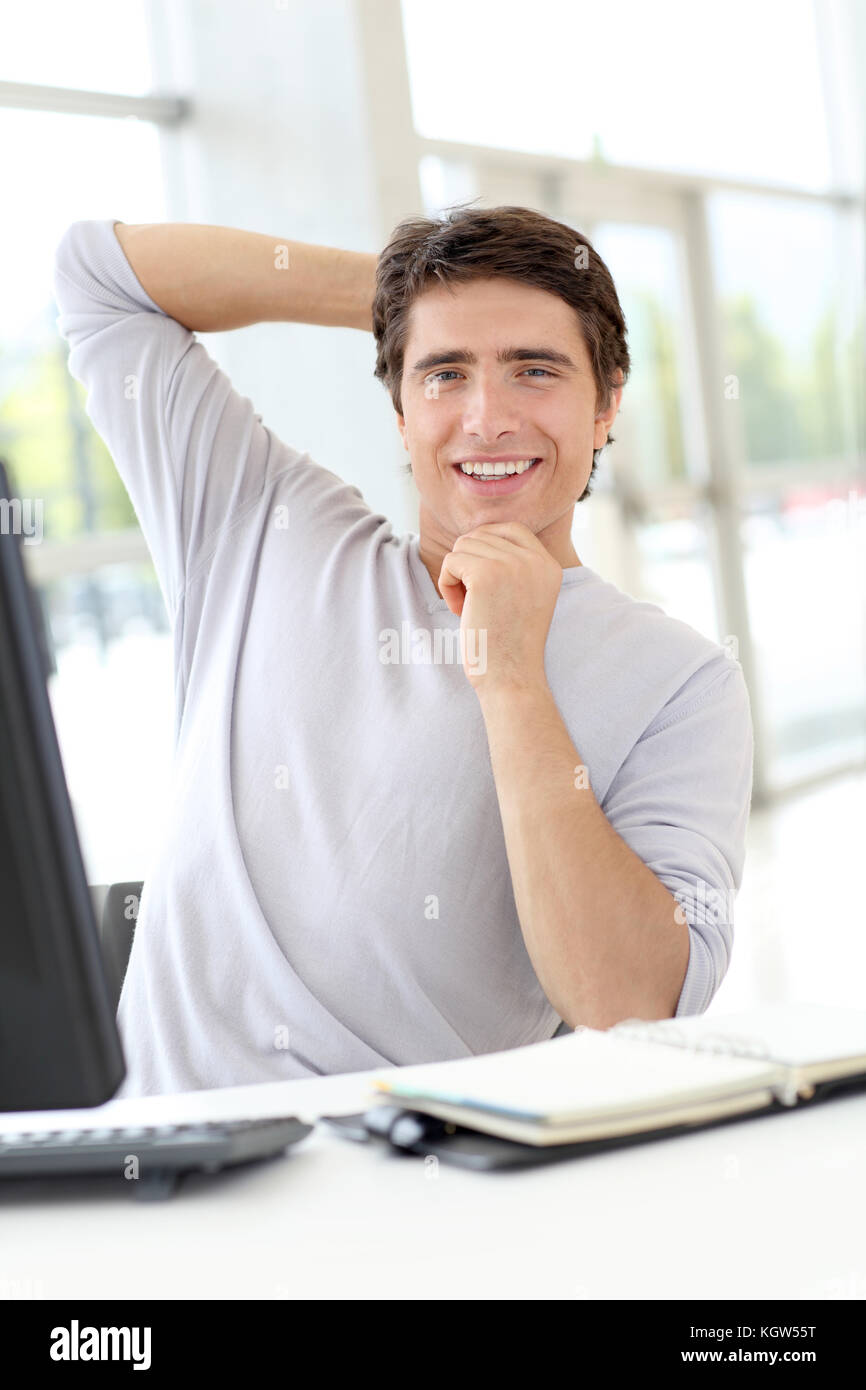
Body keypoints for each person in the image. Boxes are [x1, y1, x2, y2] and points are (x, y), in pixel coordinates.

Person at [52, 204, 753, 1097]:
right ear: (398, 408)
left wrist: (511, 680)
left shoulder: (682, 683)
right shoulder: (261, 526)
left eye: (535, 369)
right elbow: (101, 280)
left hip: (397, 1195)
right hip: (155, 1166)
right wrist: (409, 292)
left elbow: (631, 1005)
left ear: (608, 401)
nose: (486, 418)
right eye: (443, 374)